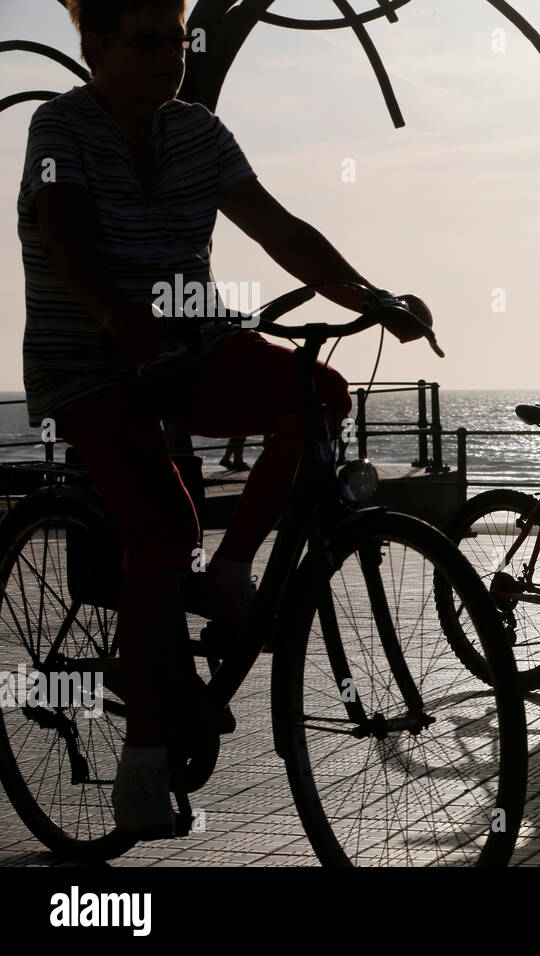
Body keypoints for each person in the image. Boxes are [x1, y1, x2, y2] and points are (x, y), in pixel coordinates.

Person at [18, 0, 430, 837]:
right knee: (163, 522)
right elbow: (62, 238)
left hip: (189, 350)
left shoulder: (199, 131)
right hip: (89, 367)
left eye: (176, 41)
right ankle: (141, 767)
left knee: (318, 396)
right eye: (146, 43)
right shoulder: (60, 128)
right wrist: (112, 313)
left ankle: (235, 568)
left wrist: (372, 296)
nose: (168, 57)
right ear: (94, 45)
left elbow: (279, 228)